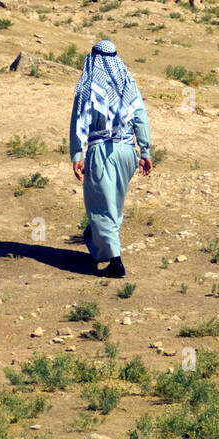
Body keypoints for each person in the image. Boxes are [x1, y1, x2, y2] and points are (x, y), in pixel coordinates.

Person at [69, 39, 152, 278]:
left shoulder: (87, 87)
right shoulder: (128, 83)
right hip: (127, 154)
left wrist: (77, 154)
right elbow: (141, 119)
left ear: (92, 58)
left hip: (101, 152)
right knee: (111, 204)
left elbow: (78, 124)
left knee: (101, 208)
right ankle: (99, 242)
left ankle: (115, 262)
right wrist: (144, 152)